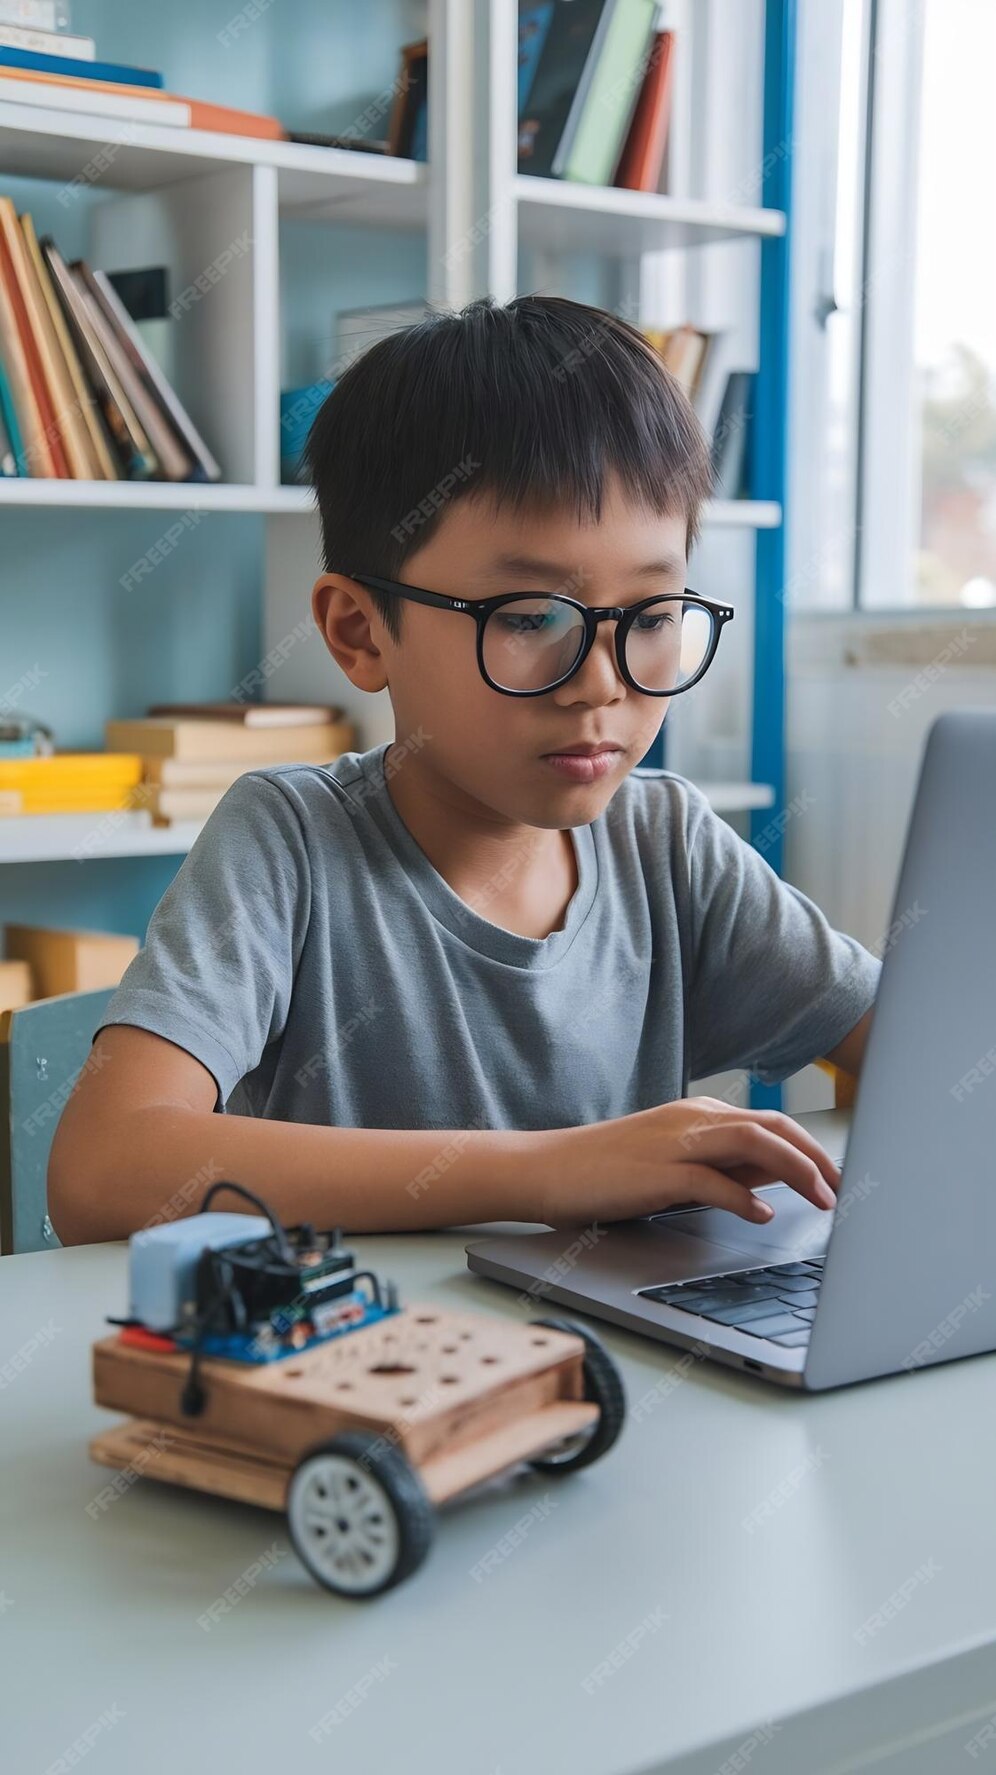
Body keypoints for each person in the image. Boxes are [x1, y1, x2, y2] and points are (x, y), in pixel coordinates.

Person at [48, 295, 878, 1245]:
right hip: (366, 1373)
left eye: (650, 618)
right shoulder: (288, 843)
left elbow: (926, 1046)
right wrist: (553, 1171)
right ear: (361, 632)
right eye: (530, 619)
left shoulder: (669, 845)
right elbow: (102, 1170)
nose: (599, 685)